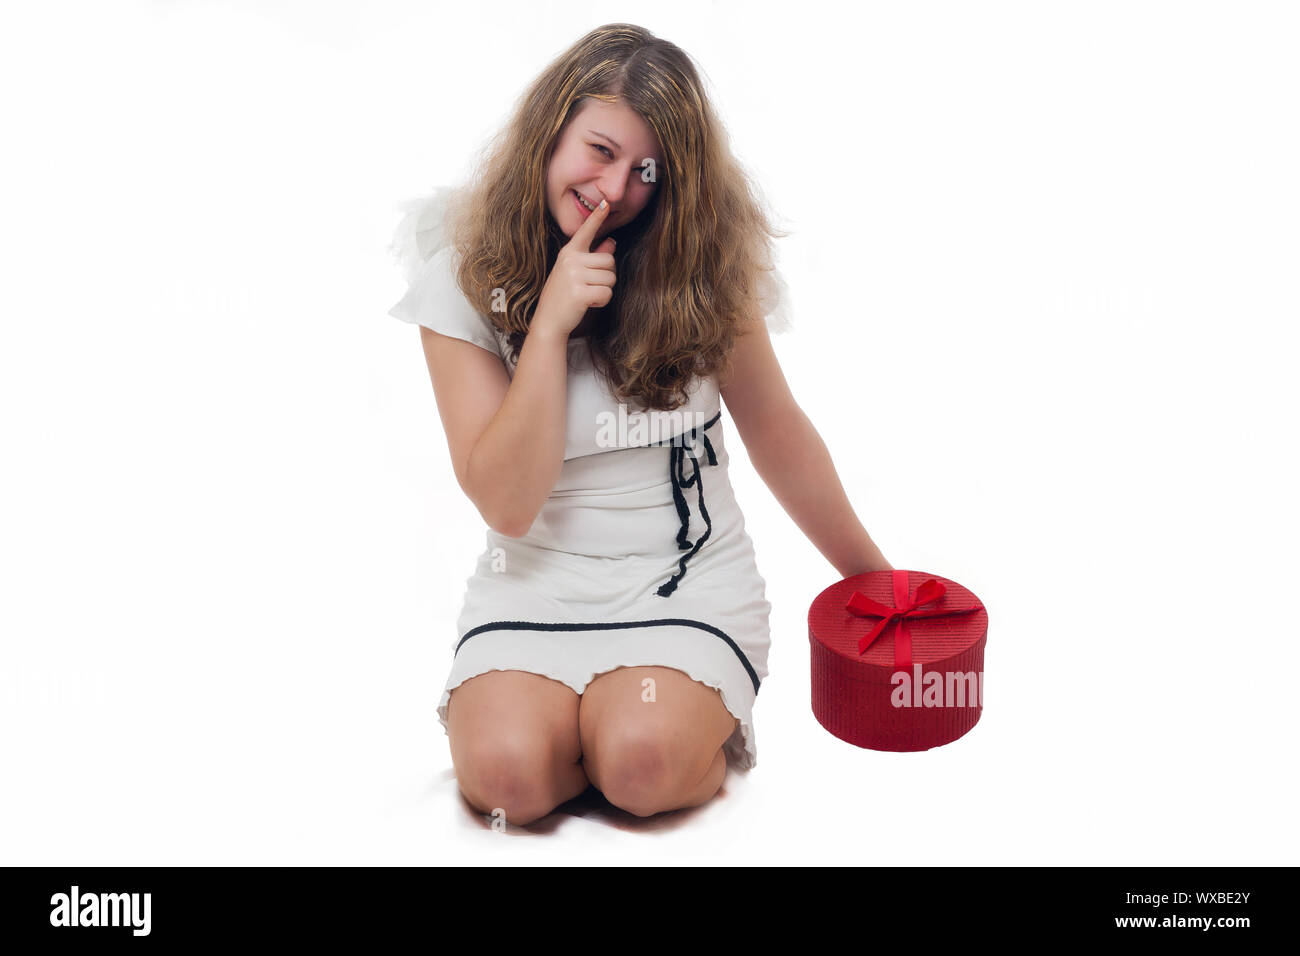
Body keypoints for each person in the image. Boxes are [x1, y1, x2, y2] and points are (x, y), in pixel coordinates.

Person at [387, 23, 891, 826]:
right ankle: (569, 725)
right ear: (550, 129)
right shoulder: (464, 262)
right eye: (599, 149)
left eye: (645, 171)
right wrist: (548, 328)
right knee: (509, 780)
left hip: (685, 581)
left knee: (641, 765)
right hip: (535, 585)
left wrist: (872, 579)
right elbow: (507, 505)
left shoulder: (698, 261)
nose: (615, 188)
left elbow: (777, 431)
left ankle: (630, 722)